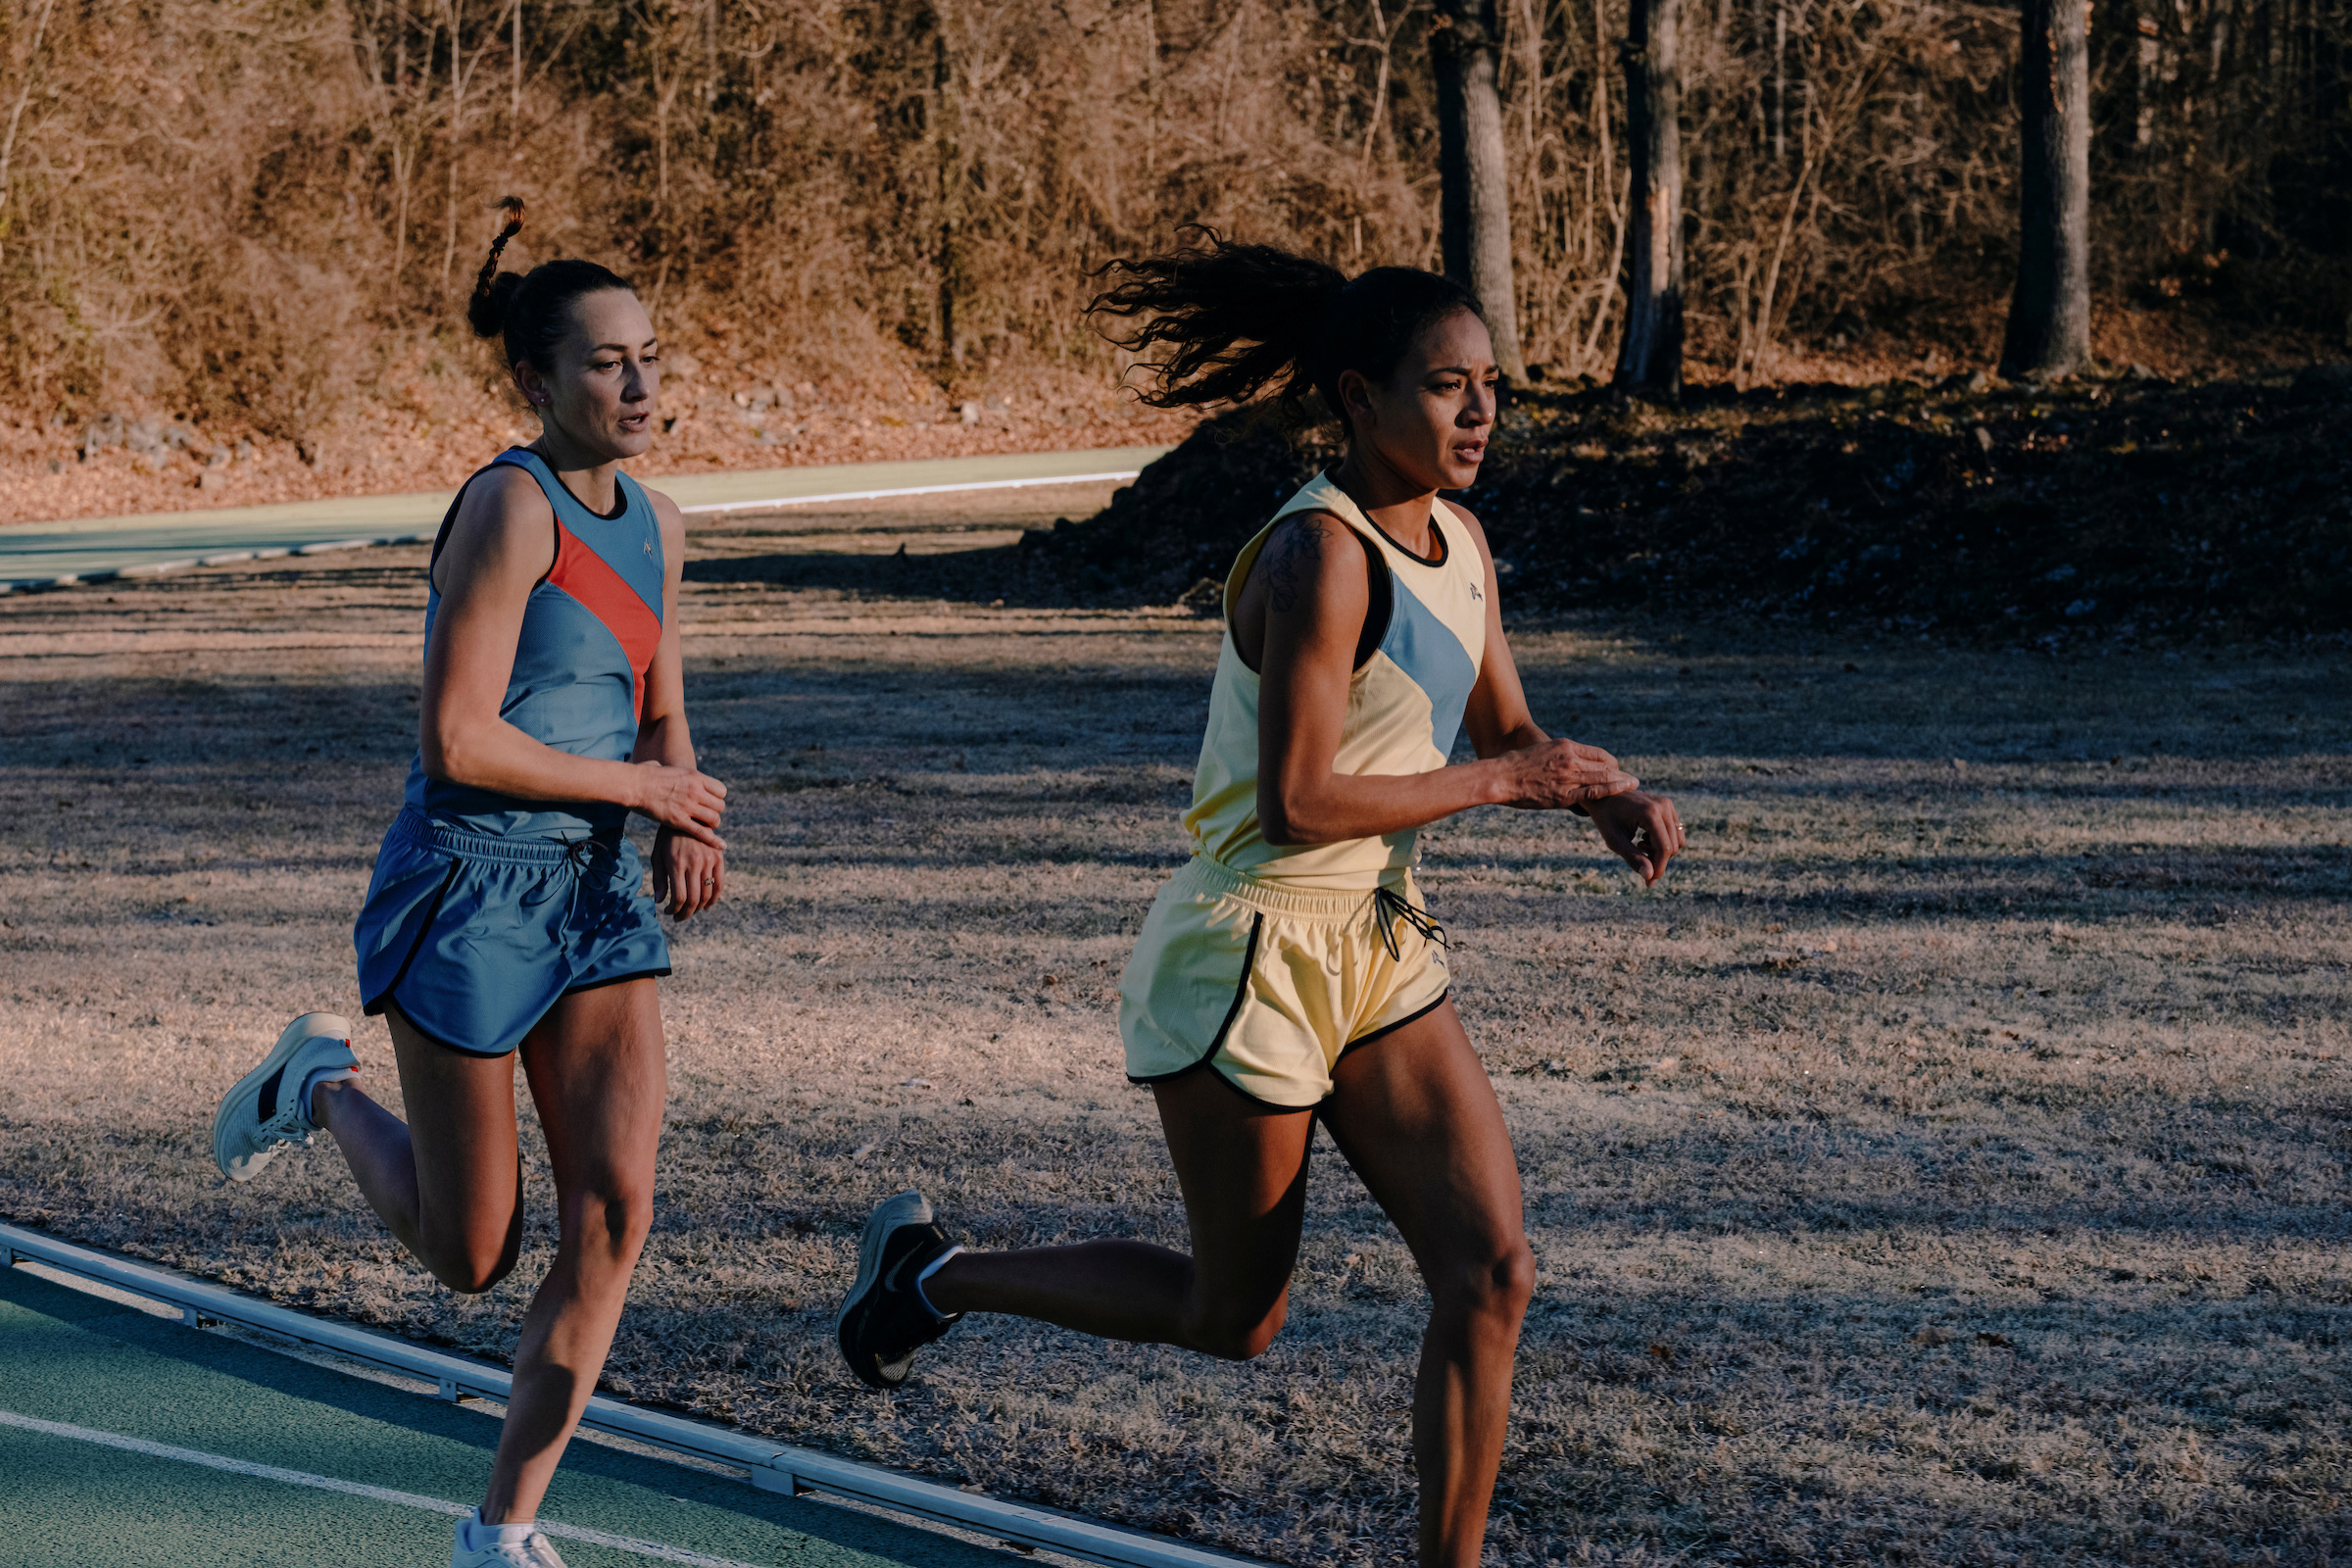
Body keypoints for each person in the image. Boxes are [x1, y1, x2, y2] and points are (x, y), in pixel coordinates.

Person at [834, 232, 1686, 1567]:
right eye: (1448, 387)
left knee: (1493, 1270)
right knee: (1235, 1318)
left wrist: (1603, 796)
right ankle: (934, 1277)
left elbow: (1504, 727)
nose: (1480, 414)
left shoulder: (1460, 539)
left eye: (1492, 388)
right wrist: (1505, 786)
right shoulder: (1317, 557)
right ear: (1358, 398)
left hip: (1377, 941)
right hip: (1251, 950)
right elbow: (1297, 803)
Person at [210, 199, 728, 1568]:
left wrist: (681, 809)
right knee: (471, 1253)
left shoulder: (661, 524)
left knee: (615, 1214)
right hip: (472, 888)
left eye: (651, 357)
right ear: (537, 381)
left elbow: (660, 707)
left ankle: (502, 1531)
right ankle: (320, 1086)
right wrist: (640, 790)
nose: (640, 384)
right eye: (608, 362)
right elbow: (459, 739)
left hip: (598, 895)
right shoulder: (507, 508)